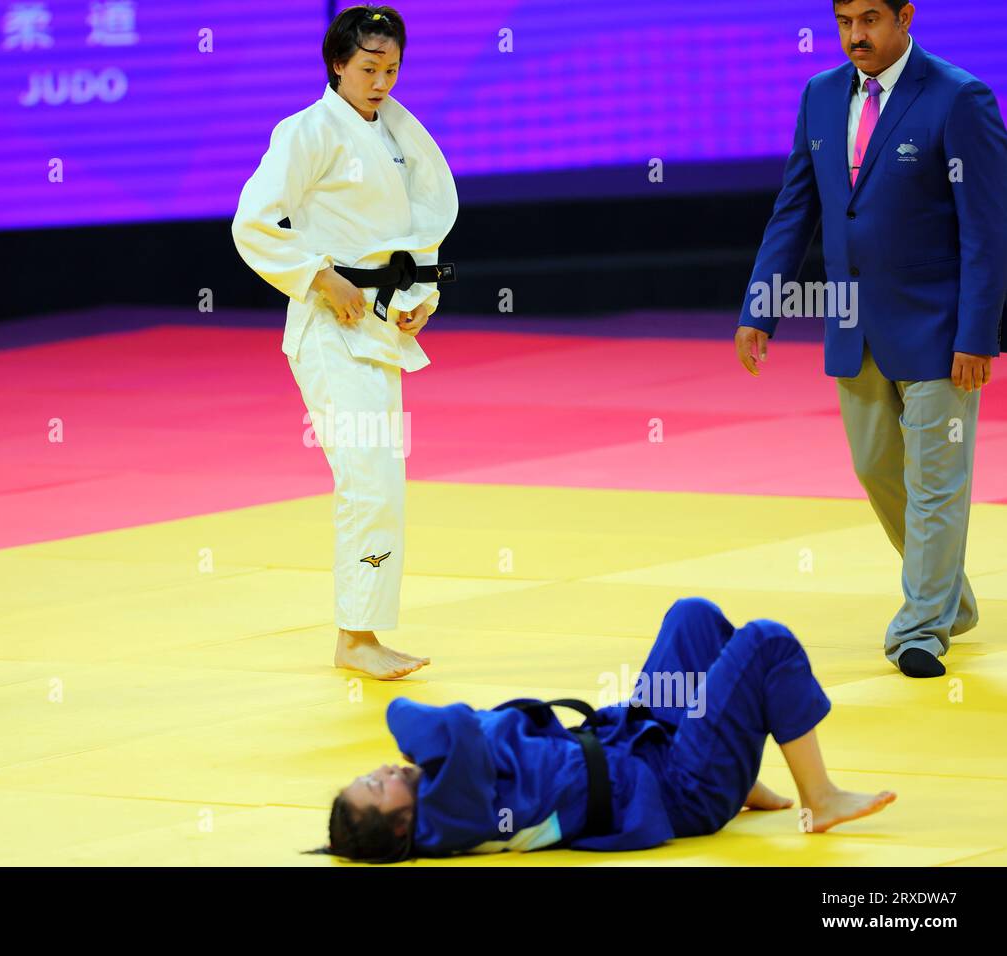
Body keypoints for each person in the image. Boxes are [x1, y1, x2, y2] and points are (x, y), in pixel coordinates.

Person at [733, 0, 1007, 677]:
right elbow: (795, 207)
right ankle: (950, 600)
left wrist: (979, 333)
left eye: (871, 19)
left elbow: (988, 228)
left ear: (906, 17)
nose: (857, 35)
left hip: (942, 331)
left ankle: (919, 629)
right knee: (878, 470)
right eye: (845, 20)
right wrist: (760, 306)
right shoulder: (821, 96)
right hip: (852, 322)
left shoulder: (959, 98)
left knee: (937, 481)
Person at [232, 5, 458, 680]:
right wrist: (318, 276)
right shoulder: (306, 131)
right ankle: (355, 637)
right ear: (337, 63)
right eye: (367, 67)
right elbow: (254, 222)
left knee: (382, 481)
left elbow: (414, 233)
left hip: (377, 328)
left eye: (391, 68)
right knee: (368, 481)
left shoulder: (396, 134)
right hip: (329, 331)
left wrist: (419, 299)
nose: (381, 80)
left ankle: (360, 632)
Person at [321, 597, 896, 861]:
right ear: (401, 830)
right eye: (375, 788)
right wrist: (420, 755)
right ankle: (818, 798)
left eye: (365, 776)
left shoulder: (446, 795)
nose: (380, 770)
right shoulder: (450, 814)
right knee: (766, 640)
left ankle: (741, 780)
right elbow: (416, 717)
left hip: (639, 742)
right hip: (683, 789)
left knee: (691, 617)